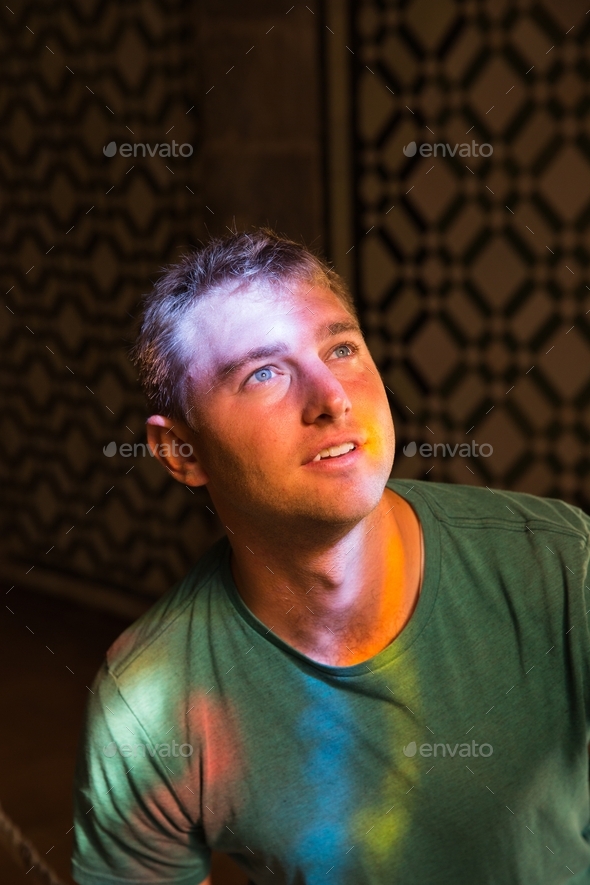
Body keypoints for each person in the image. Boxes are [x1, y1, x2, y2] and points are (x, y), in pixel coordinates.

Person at [71, 228, 590, 885]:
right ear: (182, 452)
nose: (332, 398)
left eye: (340, 348)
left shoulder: (562, 567)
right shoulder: (148, 708)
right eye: (265, 372)